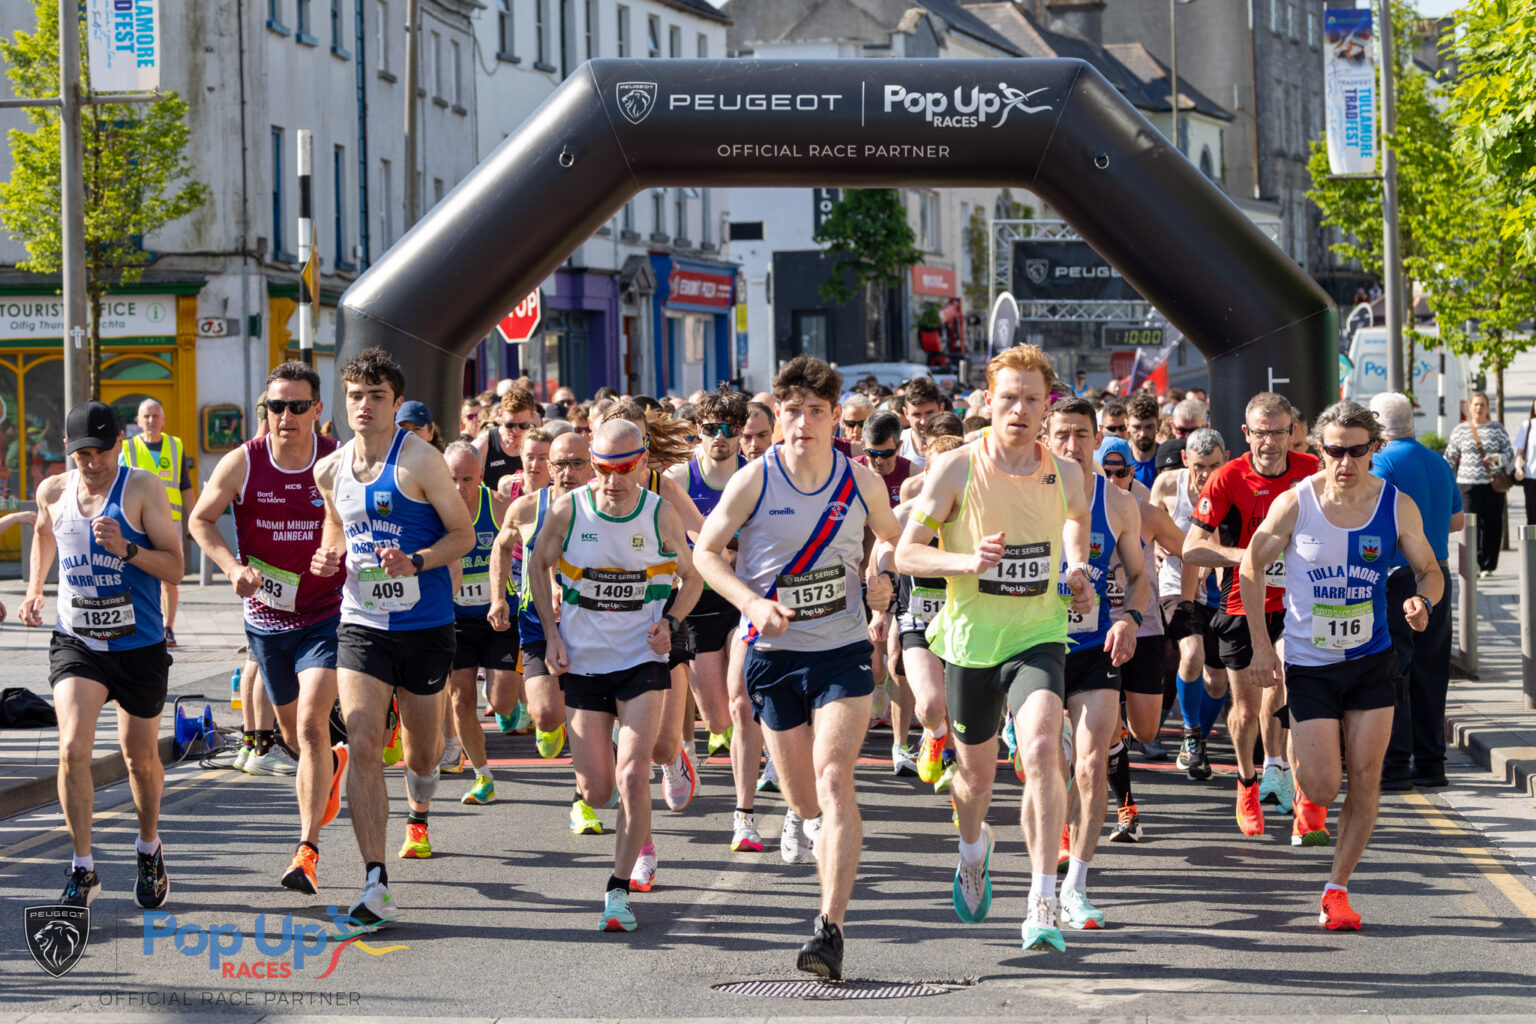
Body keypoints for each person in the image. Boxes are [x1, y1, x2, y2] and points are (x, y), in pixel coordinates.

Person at [694, 355, 900, 980]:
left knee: (834, 777)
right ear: (777, 416)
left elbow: (892, 538)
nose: (803, 422)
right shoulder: (753, 481)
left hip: (841, 649)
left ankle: (829, 929)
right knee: (805, 799)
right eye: (792, 411)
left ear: (836, 417)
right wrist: (751, 603)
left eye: (816, 411)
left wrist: (882, 575)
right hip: (773, 655)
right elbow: (705, 553)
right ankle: (803, 819)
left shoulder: (861, 482)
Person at [897, 344, 1094, 956]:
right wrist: (966, 561)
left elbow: (1076, 519)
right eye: (1008, 397)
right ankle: (972, 851)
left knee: (1042, 750)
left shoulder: (1066, 472)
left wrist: (1079, 568)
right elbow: (906, 552)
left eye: (1032, 399)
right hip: (971, 643)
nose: (1019, 410)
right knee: (974, 781)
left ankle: (1042, 897)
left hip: (1038, 633)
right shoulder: (956, 467)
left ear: (1046, 406)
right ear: (988, 400)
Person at [1240, 400, 1443, 929]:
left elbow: (1430, 569)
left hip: (1372, 658)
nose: (1345, 462)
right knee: (1325, 786)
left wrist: (1423, 600)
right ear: (1318, 449)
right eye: (1334, 451)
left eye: (1357, 450)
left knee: (1368, 776)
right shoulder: (1295, 504)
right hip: (1310, 664)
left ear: (1374, 449)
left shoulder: (1395, 506)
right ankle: (1307, 794)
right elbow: (1251, 567)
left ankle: (1337, 889)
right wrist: (1262, 647)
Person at [310, 347, 475, 929]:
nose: (364, 406)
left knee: (421, 755)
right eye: (355, 396)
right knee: (362, 740)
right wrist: (329, 554)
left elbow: (463, 535)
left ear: (395, 402)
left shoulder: (421, 462)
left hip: (425, 626)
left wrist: (418, 560)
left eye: (376, 397)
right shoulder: (329, 469)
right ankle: (375, 880)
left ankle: (420, 801)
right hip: (361, 624)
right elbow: (336, 525)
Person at [527, 418, 700, 931]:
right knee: (597, 790)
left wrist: (671, 622)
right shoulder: (568, 510)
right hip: (584, 664)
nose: (612, 479)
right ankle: (633, 783)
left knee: (632, 774)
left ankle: (618, 890)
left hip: (642, 660)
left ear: (642, 463)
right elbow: (537, 563)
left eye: (624, 468)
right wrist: (552, 633)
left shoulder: (659, 513)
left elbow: (693, 577)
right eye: (603, 468)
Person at [188, 362, 350, 895]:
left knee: (311, 723)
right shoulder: (244, 462)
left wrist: (338, 551)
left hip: (326, 613)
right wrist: (232, 567)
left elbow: (362, 521)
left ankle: (306, 851)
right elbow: (199, 519)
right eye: (276, 406)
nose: (285, 416)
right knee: (294, 737)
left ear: (316, 410)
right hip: (266, 619)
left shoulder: (337, 459)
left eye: (297, 406)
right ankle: (329, 765)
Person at [21, 401, 183, 909]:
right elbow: (44, 533)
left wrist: (128, 550)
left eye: (101, 452)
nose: (92, 464)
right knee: (72, 749)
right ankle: (83, 868)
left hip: (139, 645)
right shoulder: (53, 490)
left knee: (140, 760)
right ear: (69, 451)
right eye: (82, 454)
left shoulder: (142, 488)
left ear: (119, 444)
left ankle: (149, 847)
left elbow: (176, 567)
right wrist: (35, 588)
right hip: (78, 642)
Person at [1184, 392, 1318, 837]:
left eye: (1279, 433)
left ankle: (1283, 773)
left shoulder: (1310, 470)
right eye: (1261, 433)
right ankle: (1246, 780)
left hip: (1296, 603)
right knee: (1245, 707)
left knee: (1287, 686)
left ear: (1292, 432)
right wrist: (1249, 557)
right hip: (1242, 603)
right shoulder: (1227, 478)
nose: (1270, 442)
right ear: (1247, 433)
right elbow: (1191, 548)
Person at [1042, 399, 1148, 928]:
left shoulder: (1119, 503)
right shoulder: (1024, 493)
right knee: (1048, 765)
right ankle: (1043, 877)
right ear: (1045, 439)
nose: (1072, 446)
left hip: (1091, 650)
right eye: (1062, 435)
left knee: (1090, 764)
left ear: (1097, 440)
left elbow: (1140, 577)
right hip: (1035, 649)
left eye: (1082, 435)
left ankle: (1076, 887)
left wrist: (1129, 619)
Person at [661, 387, 763, 852]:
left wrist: (734, 552)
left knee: (741, 702)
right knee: (718, 718)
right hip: (698, 602)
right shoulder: (679, 477)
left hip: (742, 600)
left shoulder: (755, 475)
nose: (720, 437)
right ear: (697, 431)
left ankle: (744, 815)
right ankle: (688, 752)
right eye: (710, 429)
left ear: (741, 433)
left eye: (729, 429)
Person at [490, 431, 598, 827]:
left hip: (593, 627)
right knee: (548, 715)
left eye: (576, 464)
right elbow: (501, 547)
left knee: (585, 720)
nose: (568, 472)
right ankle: (551, 726)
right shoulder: (525, 508)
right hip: (537, 624)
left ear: (591, 467)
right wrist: (498, 597)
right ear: (549, 468)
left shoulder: (605, 508)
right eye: (560, 464)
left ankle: (582, 803)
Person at [1369, 392, 1463, 790]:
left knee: (1397, 670)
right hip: (1438, 573)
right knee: (1432, 672)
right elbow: (1457, 521)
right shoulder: (1438, 461)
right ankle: (1430, 763)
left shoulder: (1382, 462)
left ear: (1377, 422)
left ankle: (1395, 765)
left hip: (1400, 576)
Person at [1096, 434, 1185, 839]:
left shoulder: (1147, 514)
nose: (1115, 481)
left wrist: (1188, 597)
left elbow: (1189, 550)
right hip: (1095, 632)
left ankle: (1119, 736)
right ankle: (1127, 809)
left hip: (1144, 628)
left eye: (1122, 473)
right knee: (1107, 728)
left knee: (1145, 731)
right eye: (1107, 473)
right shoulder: (1076, 511)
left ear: (1133, 472)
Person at [1150, 428, 1230, 780]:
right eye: (1199, 466)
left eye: (1214, 465)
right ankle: (1190, 733)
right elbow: (1148, 526)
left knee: (1217, 681)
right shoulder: (1169, 485)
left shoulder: (1232, 487)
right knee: (1192, 654)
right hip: (1174, 583)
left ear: (1225, 460)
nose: (1206, 473)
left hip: (1218, 589)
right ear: (1185, 459)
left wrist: (1214, 565)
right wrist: (1155, 544)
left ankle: (1198, 742)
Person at [442, 441, 514, 805]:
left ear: (482, 476)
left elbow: (530, 550)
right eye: (452, 479)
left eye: (467, 479)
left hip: (499, 616)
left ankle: (510, 701)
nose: (459, 487)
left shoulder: (499, 507)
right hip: (456, 619)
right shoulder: (434, 511)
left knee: (502, 703)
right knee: (460, 699)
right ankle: (482, 776)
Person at [120, 398, 194, 648]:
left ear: (163, 419)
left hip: (170, 523)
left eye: (155, 416)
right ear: (138, 421)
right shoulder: (127, 448)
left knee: (169, 577)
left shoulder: (175, 445)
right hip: (137, 523)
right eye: (146, 416)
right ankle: (140, 626)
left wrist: (193, 520)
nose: (151, 420)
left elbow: (185, 486)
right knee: (136, 574)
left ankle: (168, 628)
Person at [1444, 391, 1512, 576]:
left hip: (1492, 485)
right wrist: (1444, 476)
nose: (1478, 408)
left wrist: (1498, 458)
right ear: (1469, 407)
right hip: (1467, 485)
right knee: (1469, 525)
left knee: (1493, 524)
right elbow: (1450, 457)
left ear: (1488, 408)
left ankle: (1488, 565)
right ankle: (1472, 563)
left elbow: (1509, 453)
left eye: (1482, 405)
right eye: (1475, 404)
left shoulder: (1497, 429)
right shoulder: (1460, 430)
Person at [473, 384, 539, 493]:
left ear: (532, 416)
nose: (516, 431)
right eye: (509, 425)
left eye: (523, 425)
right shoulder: (483, 445)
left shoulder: (541, 443)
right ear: (500, 415)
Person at [855, 411, 916, 508]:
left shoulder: (913, 475)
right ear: (862, 444)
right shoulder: (849, 472)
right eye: (872, 453)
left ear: (899, 446)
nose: (879, 461)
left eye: (887, 454)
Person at [898, 377, 942, 468]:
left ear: (941, 410)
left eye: (929, 413)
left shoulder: (956, 446)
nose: (924, 421)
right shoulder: (898, 444)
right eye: (917, 414)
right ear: (906, 413)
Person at [1125, 393, 1161, 488]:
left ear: (1159, 425)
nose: (1143, 434)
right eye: (1137, 427)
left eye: (1149, 427)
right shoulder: (1120, 463)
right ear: (1127, 425)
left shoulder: (1169, 460)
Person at [1514, 396, 1536, 526]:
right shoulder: (1528, 426)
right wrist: (1518, 468)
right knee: (1532, 518)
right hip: (1531, 478)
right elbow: (1520, 453)